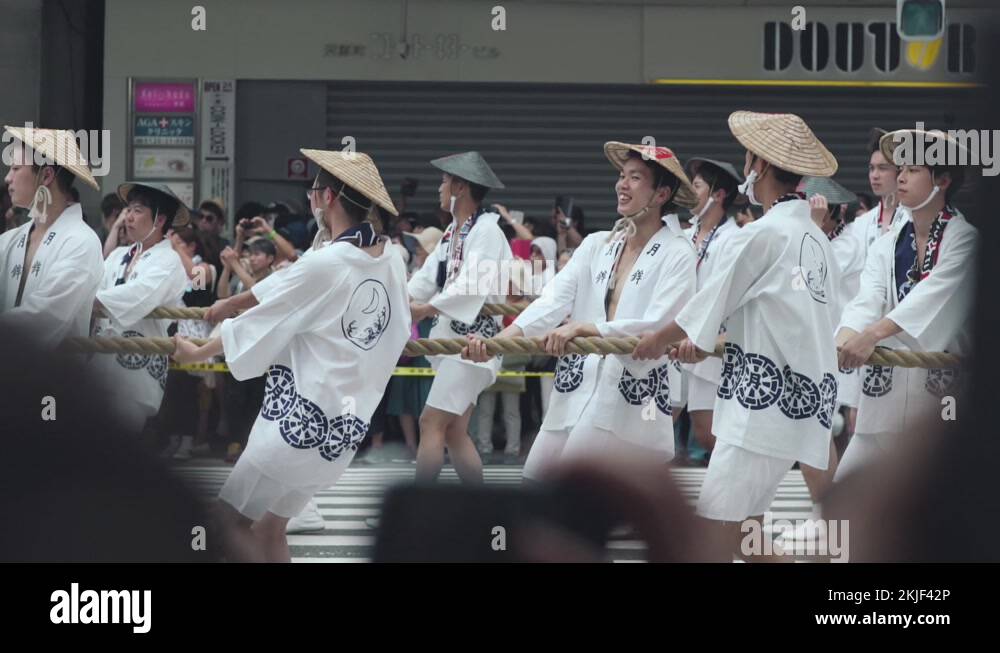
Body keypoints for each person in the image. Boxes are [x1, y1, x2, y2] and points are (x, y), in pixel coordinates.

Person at [173, 148, 410, 562]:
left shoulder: (330, 261)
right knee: (269, 530)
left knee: (223, 525)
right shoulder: (389, 260)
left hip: (293, 428)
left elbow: (270, 312)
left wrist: (200, 350)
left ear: (329, 197)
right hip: (341, 434)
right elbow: (286, 292)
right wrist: (234, 304)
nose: (311, 197)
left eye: (315, 189)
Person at [632, 111, 840, 561]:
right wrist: (696, 337)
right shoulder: (816, 236)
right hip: (800, 401)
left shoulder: (762, 234)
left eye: (748, 158)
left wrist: (656, 339)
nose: (745, 165)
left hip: (760, 412)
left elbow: (707, 304)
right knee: (748, 535)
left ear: (760, 166)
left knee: (713, 534)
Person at [465, 141, 699, 480]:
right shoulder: (597, 244)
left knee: (569, 490)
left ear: (661, 194)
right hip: (578, 383)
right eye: (621, 176)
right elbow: (551, 300)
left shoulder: (678, 252)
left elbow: (660, 323)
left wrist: (585, 328)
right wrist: (498, 341)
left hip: (628, 389)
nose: (622, 184)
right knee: (536, 479)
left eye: (635, 178)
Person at [835, 128, 977, 481]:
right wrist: (848, 334)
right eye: (901, 169)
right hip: (885, 389)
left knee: (937, 501)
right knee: (849, 492)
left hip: (940, 396)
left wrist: (871, 335)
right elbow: (868, 297)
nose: (900, 177)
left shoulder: (964, 239)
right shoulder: (887, 244)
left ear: (942, 180)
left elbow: (934, 295)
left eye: (913, 169)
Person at [406, 151, 512, 483]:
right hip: (455, 341)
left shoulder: (487, 231)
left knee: (430, 422)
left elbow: (472, 283)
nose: (440, 187)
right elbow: (425, 278)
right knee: (453, 432)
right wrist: (402, 301)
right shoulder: (454, 232)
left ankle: (419, 510)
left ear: (461, 187)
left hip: (473, 343)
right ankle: (481, 506)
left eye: (444, 180)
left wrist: (426, 308)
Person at [89, 182, 190, 435]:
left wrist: (83, 302)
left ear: (159, 219)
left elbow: (139, 295)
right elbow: (92, 289)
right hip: (99, 362)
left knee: (117, 450)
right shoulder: (117, 256)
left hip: (135, 368)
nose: (128, 217)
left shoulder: (169, 261)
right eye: (128, 210)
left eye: (137, 210)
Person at [0, 125, 104, 347]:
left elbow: (43, 318)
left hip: (53, 379)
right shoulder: (9, 240)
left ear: (46, 175)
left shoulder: (81, 242)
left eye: (16, 168)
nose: (8, 178)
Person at [678, 157, 742, 460]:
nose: (690, 191)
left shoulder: (733, 239)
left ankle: (737, 489)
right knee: (656, 419)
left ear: (719, 195)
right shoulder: (683, 235)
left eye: (697, 185)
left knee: (707, 433)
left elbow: (722, 295)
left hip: (709, 344)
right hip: (673, 340)